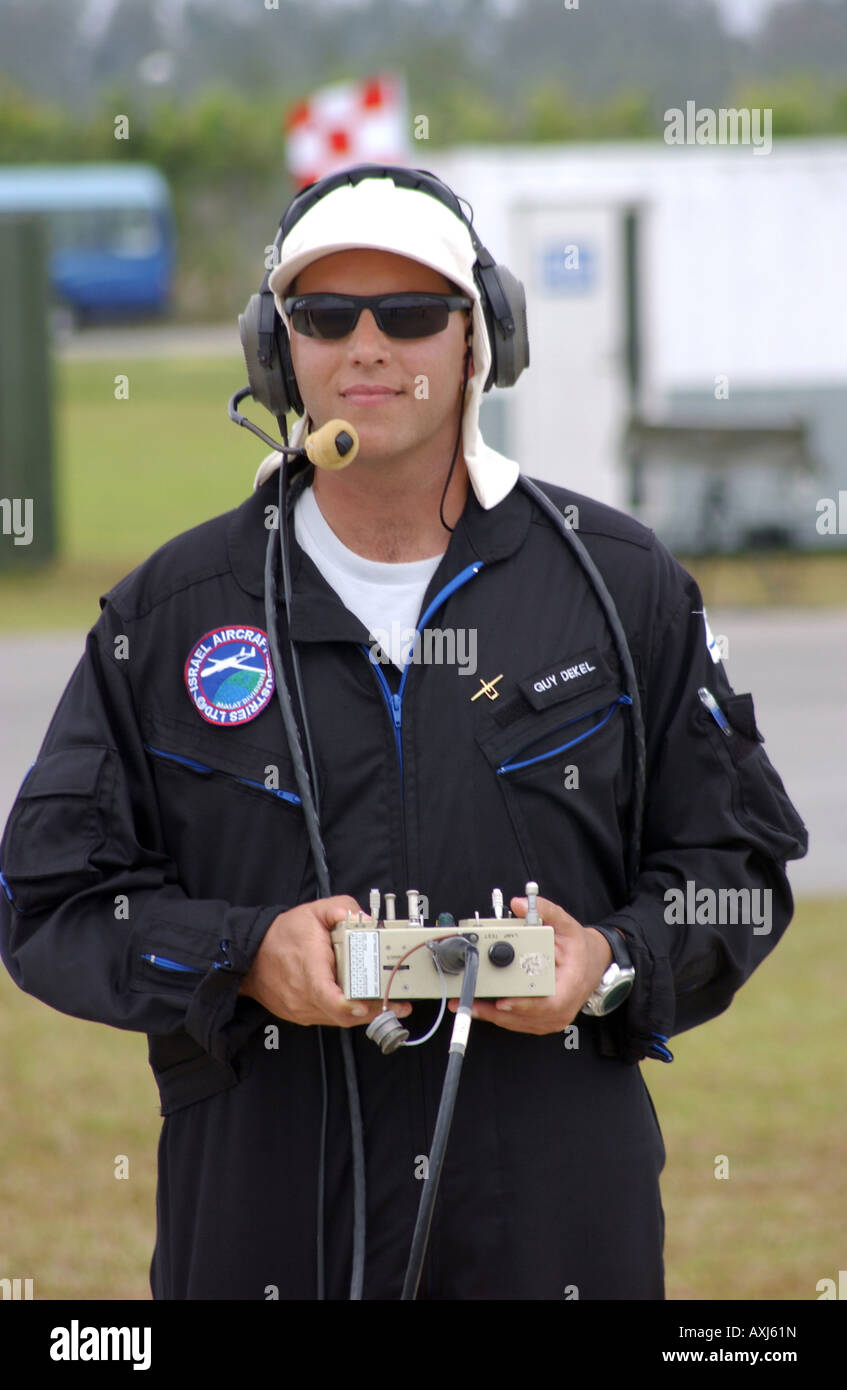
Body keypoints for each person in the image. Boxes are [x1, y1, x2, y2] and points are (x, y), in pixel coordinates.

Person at [0, 164, 808, 1301]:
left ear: (483, 339)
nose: (366, 347)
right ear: (276, 349)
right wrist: (242, 955)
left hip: (553, 1241)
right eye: (325, 316)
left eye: (412, 313)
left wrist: (607, 963)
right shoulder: (168, 613)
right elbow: (49, 902)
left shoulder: (625, 588)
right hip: (263, 1237)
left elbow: (738, 866)